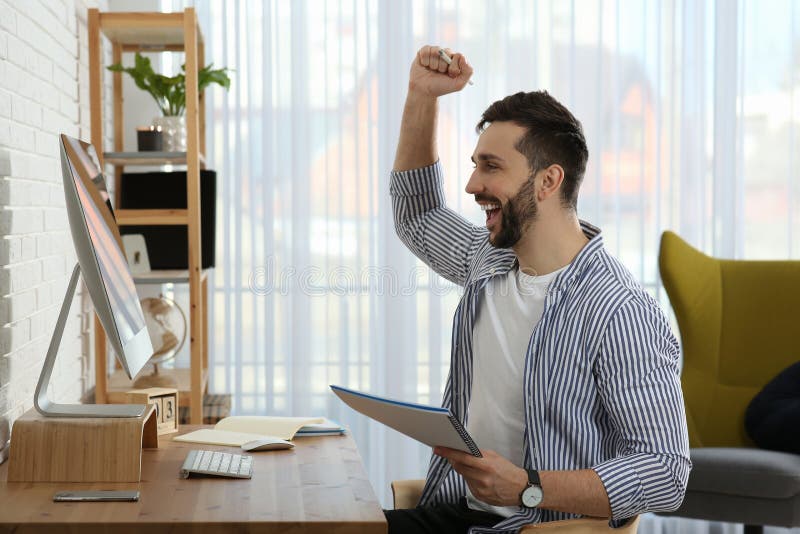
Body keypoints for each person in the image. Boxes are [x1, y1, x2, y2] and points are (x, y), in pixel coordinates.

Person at [384, 46, 692, 534]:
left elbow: (665, 472)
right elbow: (418, 215)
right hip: (460, 514)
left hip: (537, 528)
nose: (470, 184)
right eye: (474, 165)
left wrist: (528, 485)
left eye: (490, 166)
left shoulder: (618, 312)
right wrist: (422, 96)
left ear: (548, 181)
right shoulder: (490, 260)